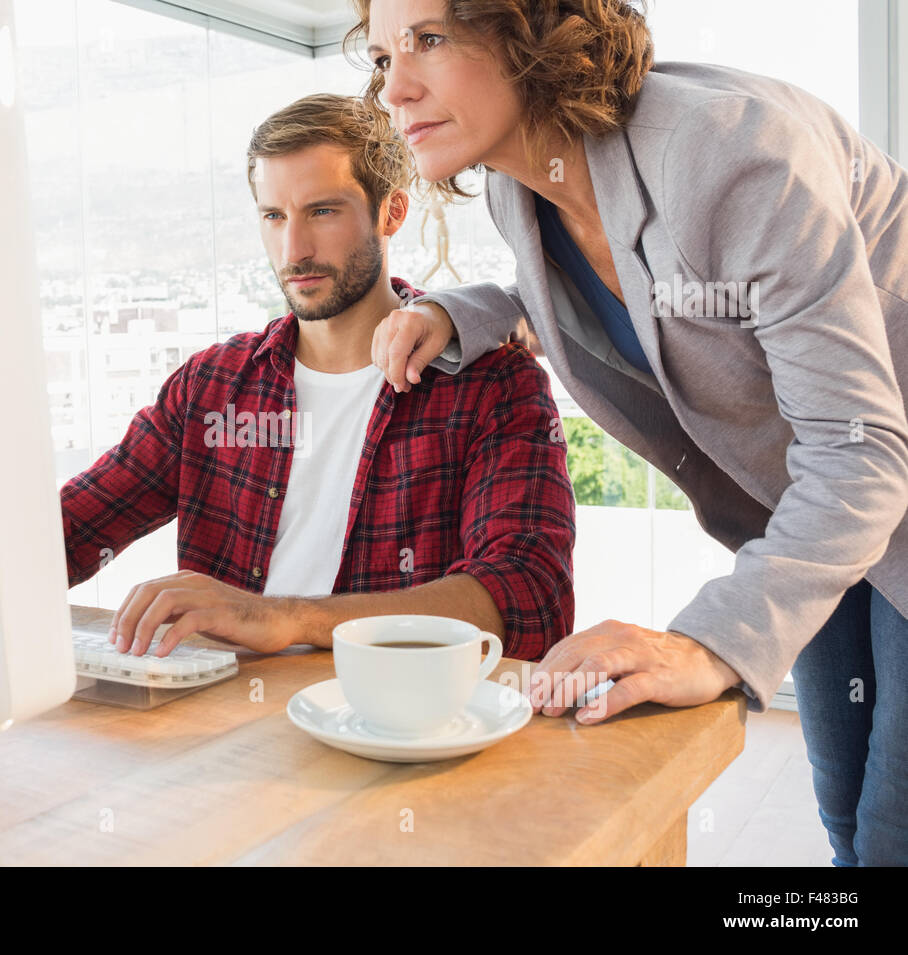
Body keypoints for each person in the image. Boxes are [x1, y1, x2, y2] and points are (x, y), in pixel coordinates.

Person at [357, 0, 908, 865]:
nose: (395, 89)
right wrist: (466, 311)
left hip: (863, 471)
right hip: (811, 506)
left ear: (532, 32)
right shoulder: (519, 188)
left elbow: (859, 451)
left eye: (428, 40)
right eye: (384, 56)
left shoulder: (732, 154)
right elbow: (616, 299)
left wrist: (707, 641)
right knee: (843, 808)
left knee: (890, 834)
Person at [62, 93, 575, 665]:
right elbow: (71, 531)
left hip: (387, 710)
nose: (294, 250)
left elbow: (531, 597)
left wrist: (283, 617)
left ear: (392, 213)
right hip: (220, 710)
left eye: (323, 211)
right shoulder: (211, 387)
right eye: (274, 216)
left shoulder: (492, 386)